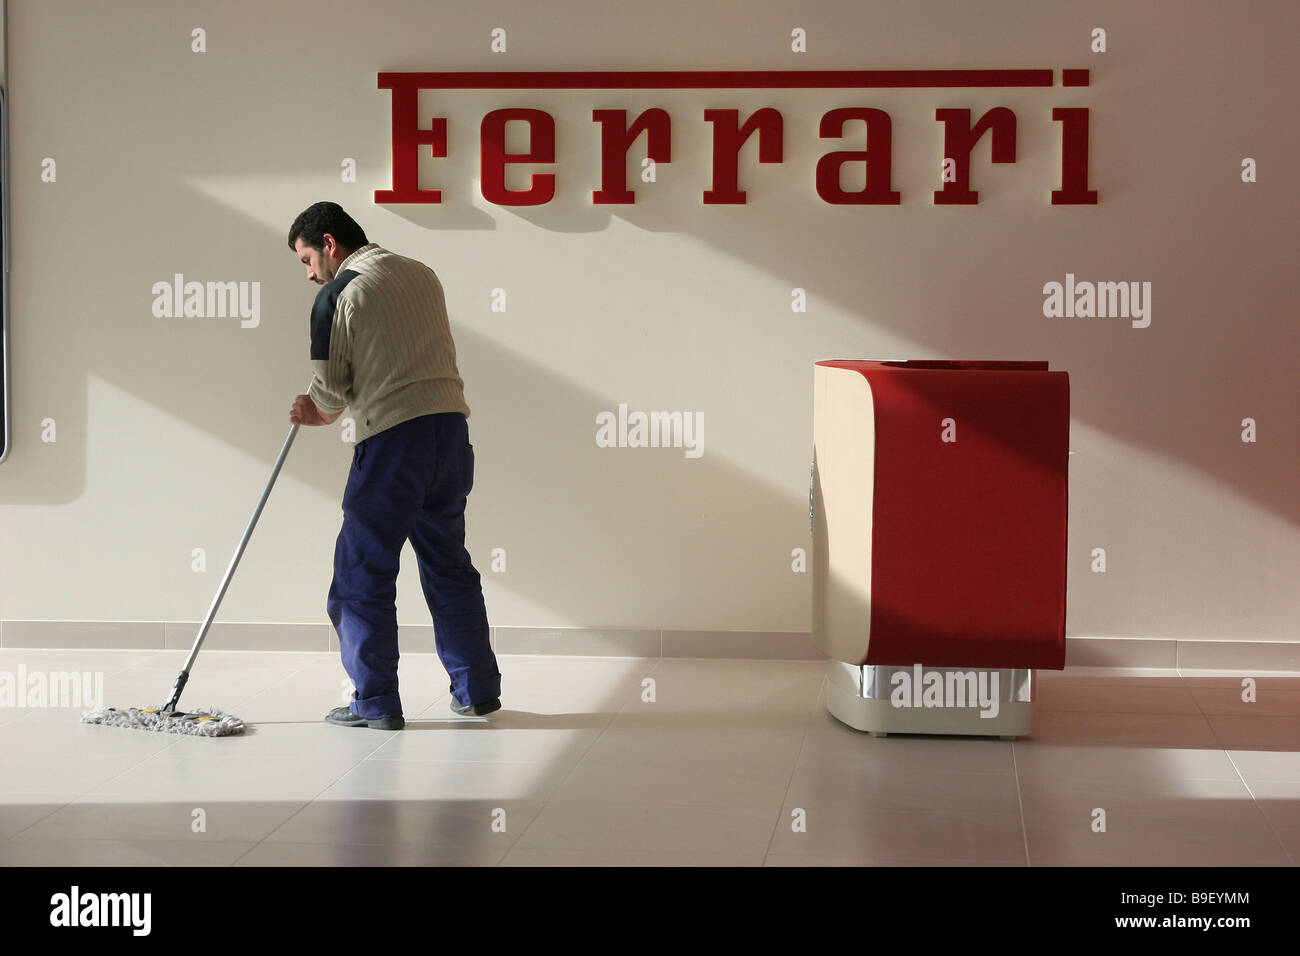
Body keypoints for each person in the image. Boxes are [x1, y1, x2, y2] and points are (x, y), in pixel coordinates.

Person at [286, 201, 502, 730]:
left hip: (392, 444)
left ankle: (376, 702)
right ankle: (475, 692)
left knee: (362, 574)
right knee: (448, 565)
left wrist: (312, 410)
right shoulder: (420, 274)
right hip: (451, 434)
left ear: (330, 244)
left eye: (307, 260)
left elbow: (332, 389)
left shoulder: (339, 293)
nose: (310, 274)